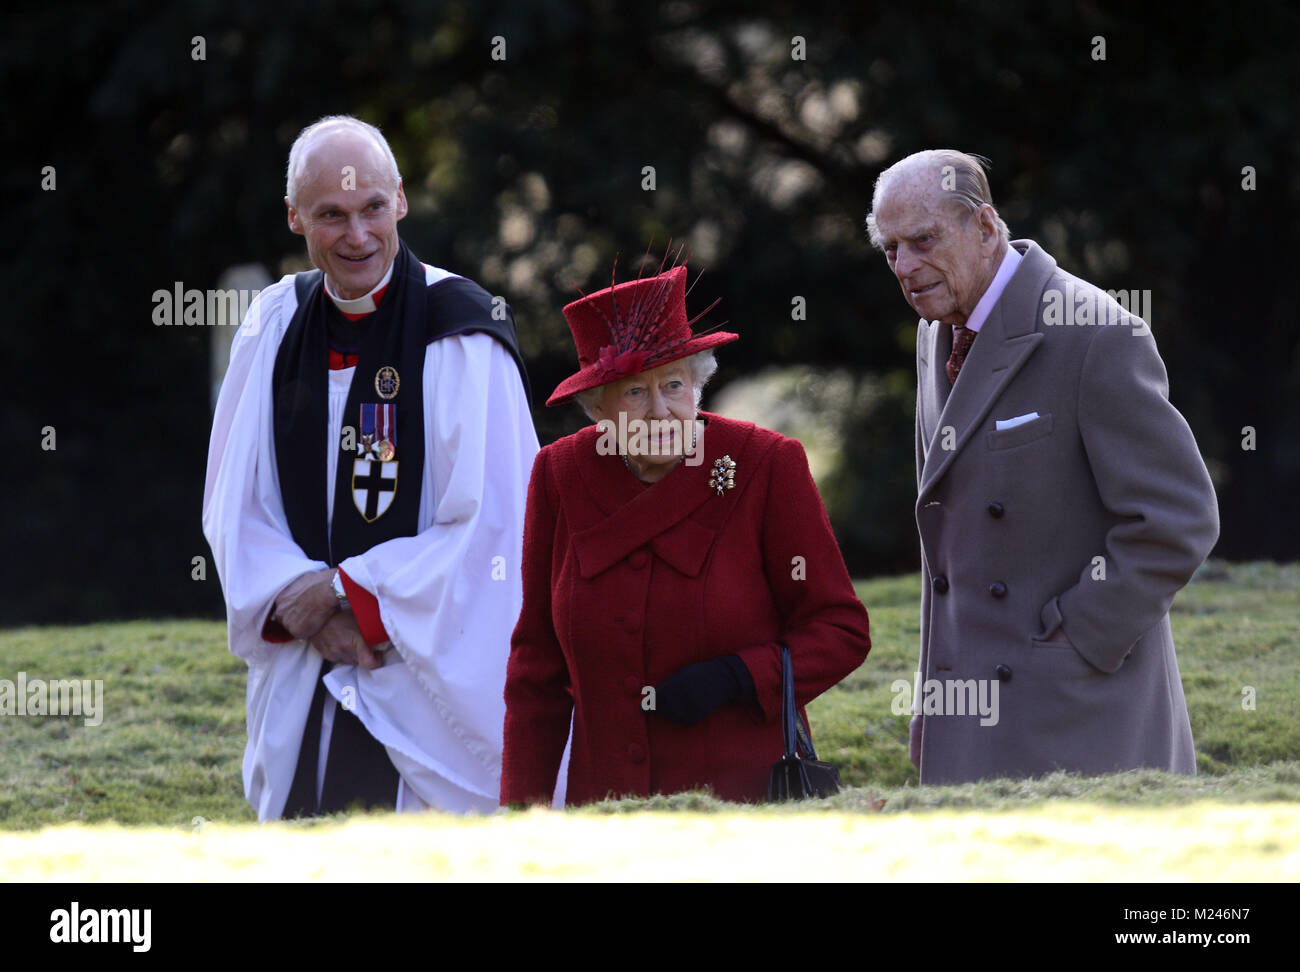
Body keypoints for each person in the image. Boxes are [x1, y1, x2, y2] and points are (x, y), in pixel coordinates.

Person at [202, 115, 538, 819]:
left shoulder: (462, 332)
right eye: (331, 216)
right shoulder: (272, 325)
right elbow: (236, 503)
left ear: (402, 202)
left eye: (372, 210)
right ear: (295, 218)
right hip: (301, 666)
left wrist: (345, 593)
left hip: (414, 680)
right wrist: (300, 601)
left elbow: (496, 529)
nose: (357, 236)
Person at [865, 149, 1219, 784]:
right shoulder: (933, 333)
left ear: (985, 226)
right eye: (891, 249)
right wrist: (935, 696)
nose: (906, 267)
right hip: (966, 712)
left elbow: (1177, 519)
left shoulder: (1098, 334)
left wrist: (1076, 638)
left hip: (1076, 715)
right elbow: (947, 556)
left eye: (923, 240)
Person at [499, 257, 870, 806]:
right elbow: (538, 668)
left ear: (698, 386)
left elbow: (841, 629)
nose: (660, 411)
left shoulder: (765, 465)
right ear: (596, 409)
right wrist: (519, 819)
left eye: (674, 385)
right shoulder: (559, 475)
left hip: (739, 810)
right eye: (633, 393)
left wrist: (740, 677)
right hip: (607, 814)